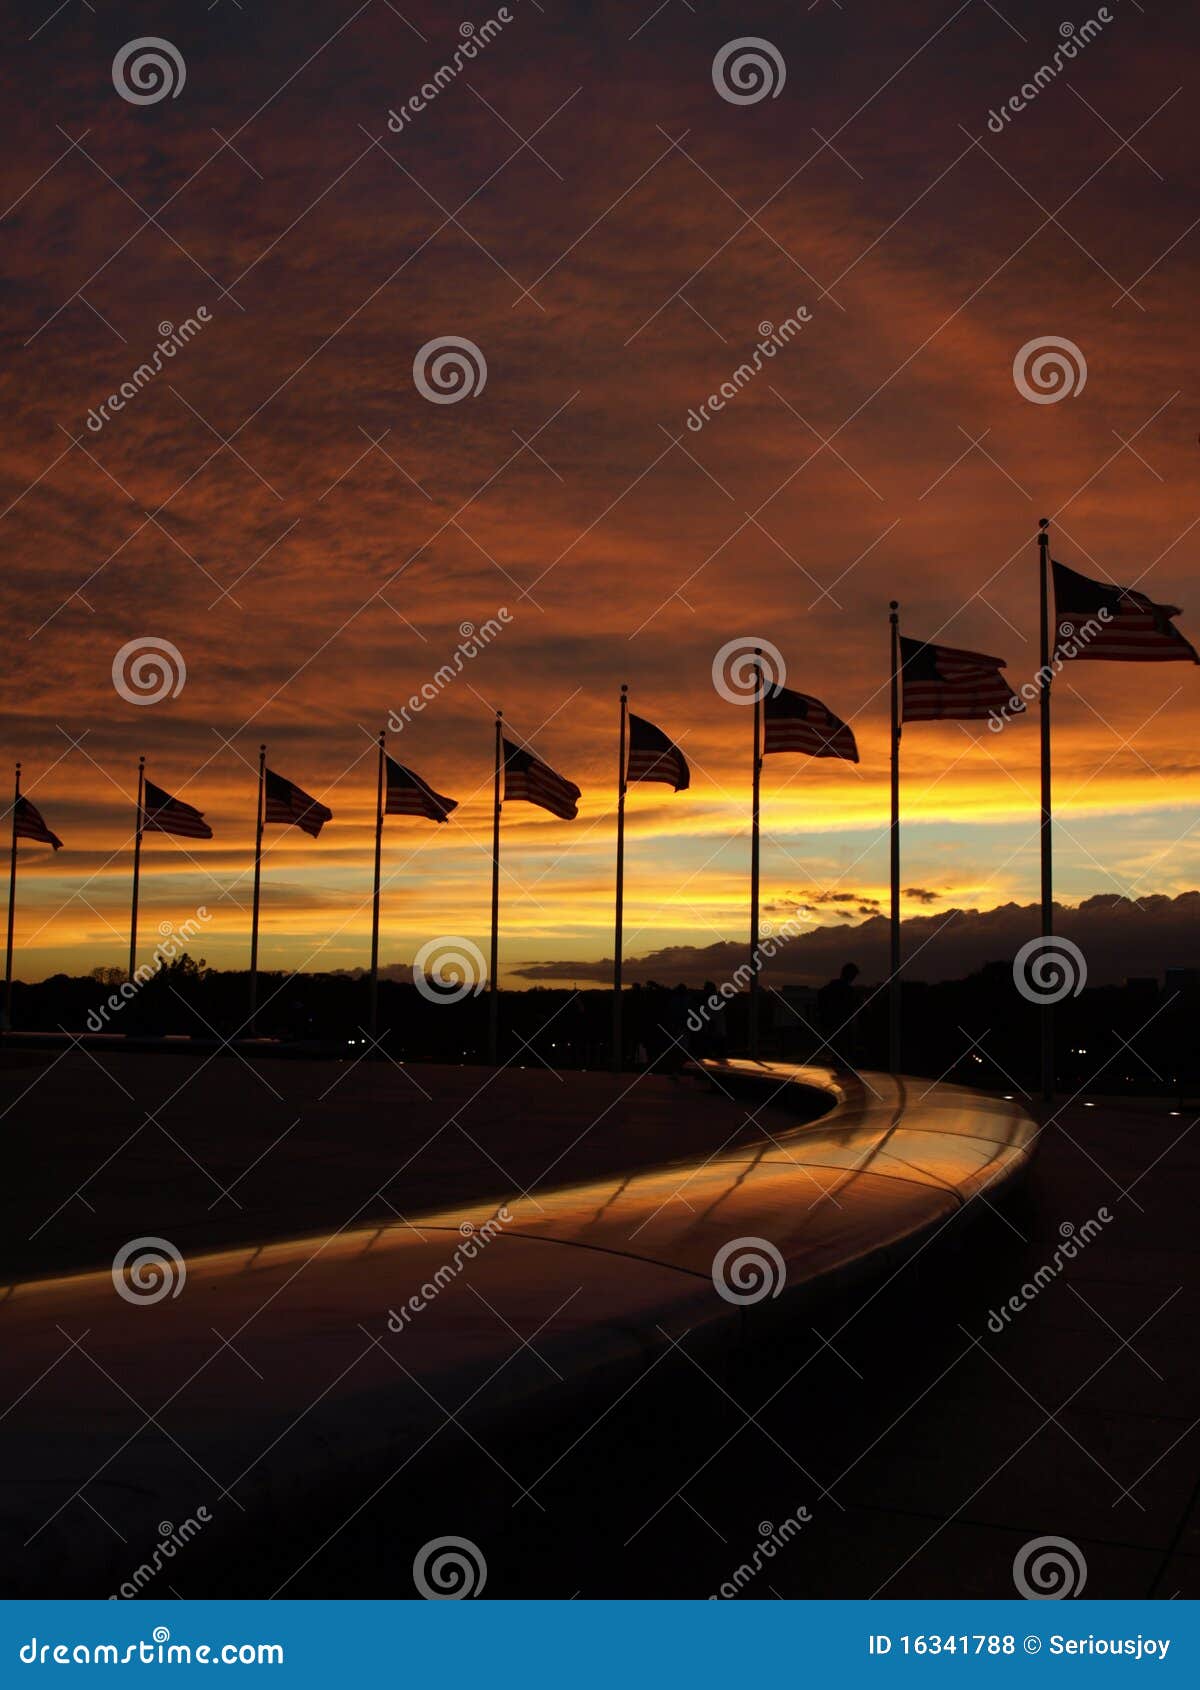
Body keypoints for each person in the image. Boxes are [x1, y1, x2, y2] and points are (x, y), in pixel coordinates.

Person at [817, 962, 860, 1070]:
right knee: (843, 1056)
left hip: (832, 1028)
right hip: (840, 1028)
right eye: (853, 976)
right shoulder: (848, 991)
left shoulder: (828, 989)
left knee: (839, 1057)